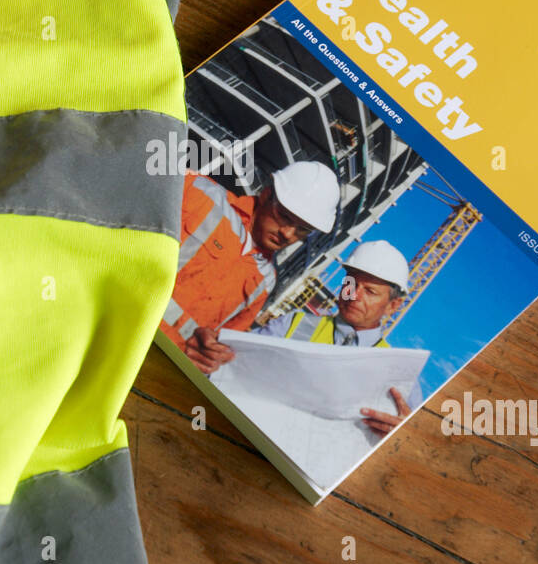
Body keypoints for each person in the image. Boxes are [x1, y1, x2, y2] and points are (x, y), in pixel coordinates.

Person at [161, 161, 340, 374]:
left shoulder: (265, 280)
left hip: (161, 363)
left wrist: (211, 357)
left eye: (302, 230)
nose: (288, 234)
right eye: (284, 216)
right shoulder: (198, 194)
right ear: (266, 194)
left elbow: (221, 341)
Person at [258, 239, 414, 435]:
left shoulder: (401, 372)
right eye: (350, 283)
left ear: (393, 306)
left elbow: (411, 440)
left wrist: (404, 433)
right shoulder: (290, 325)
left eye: (370, 291)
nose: (354, 295)